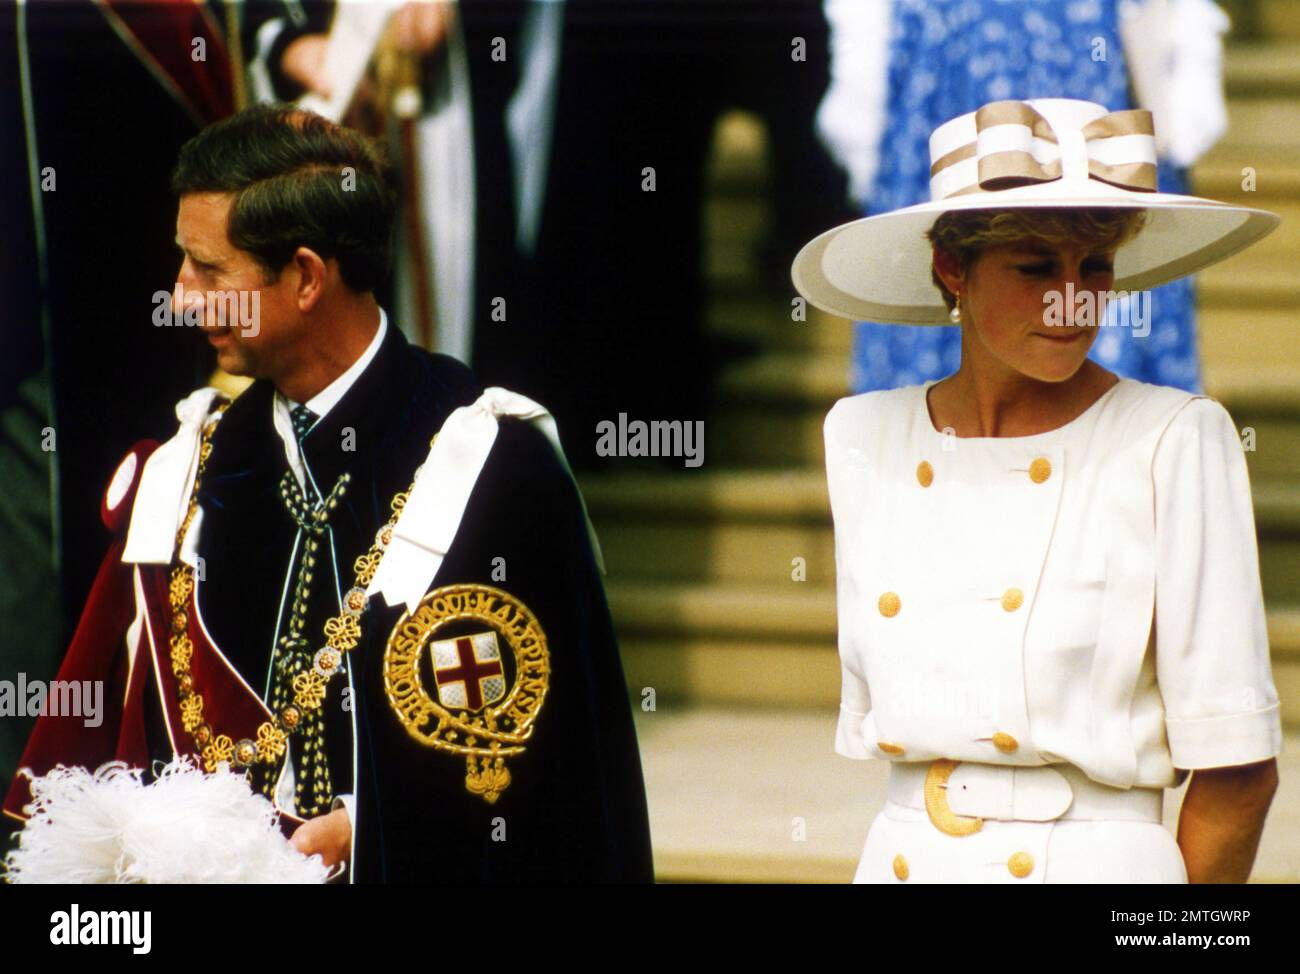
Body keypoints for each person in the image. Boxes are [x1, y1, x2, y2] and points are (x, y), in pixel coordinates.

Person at [3, 104, 654, 884]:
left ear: (307, 277)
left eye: (209, 271)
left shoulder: (495, 469)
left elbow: (553, 778)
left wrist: (371, 825)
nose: (180, 298)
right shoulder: (195, 469)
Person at [793, 97, 1282, 883]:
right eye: (1034, 267)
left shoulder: (1172, 439)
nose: (1072, 299)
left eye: (1095, 267)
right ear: (952, 268)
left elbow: (1239, 771)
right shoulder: (863, 439)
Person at [816, 0, 1228, 395]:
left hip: (1095, 121)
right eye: (1036, 268)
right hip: (951, 116)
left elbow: (1173, 82)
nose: (1067, 298)